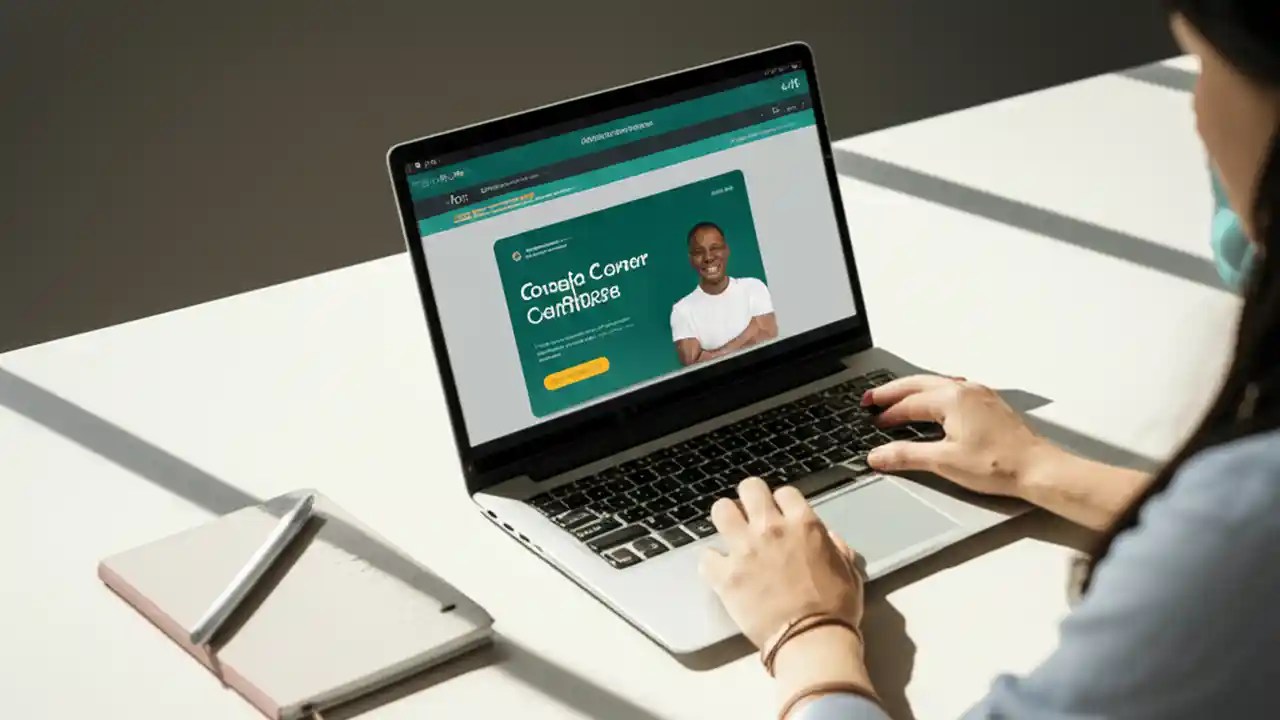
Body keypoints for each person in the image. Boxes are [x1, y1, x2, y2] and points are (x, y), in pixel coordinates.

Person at [699, 2, 1280, 718]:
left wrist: (808, 632)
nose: (1196, 111)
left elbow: (1242, 553)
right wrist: (1041, 469)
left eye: (1204, 65)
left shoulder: (1243, 533)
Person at [671, 221, 778, 366]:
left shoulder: (754, 287)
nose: (708, 257)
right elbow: (695, 367)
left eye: (715, 248)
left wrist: (711, 355)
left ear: (726, 250)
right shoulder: (682, 311)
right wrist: (749, 333)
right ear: (691, 259)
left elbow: (769, 336)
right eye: (699, 252)